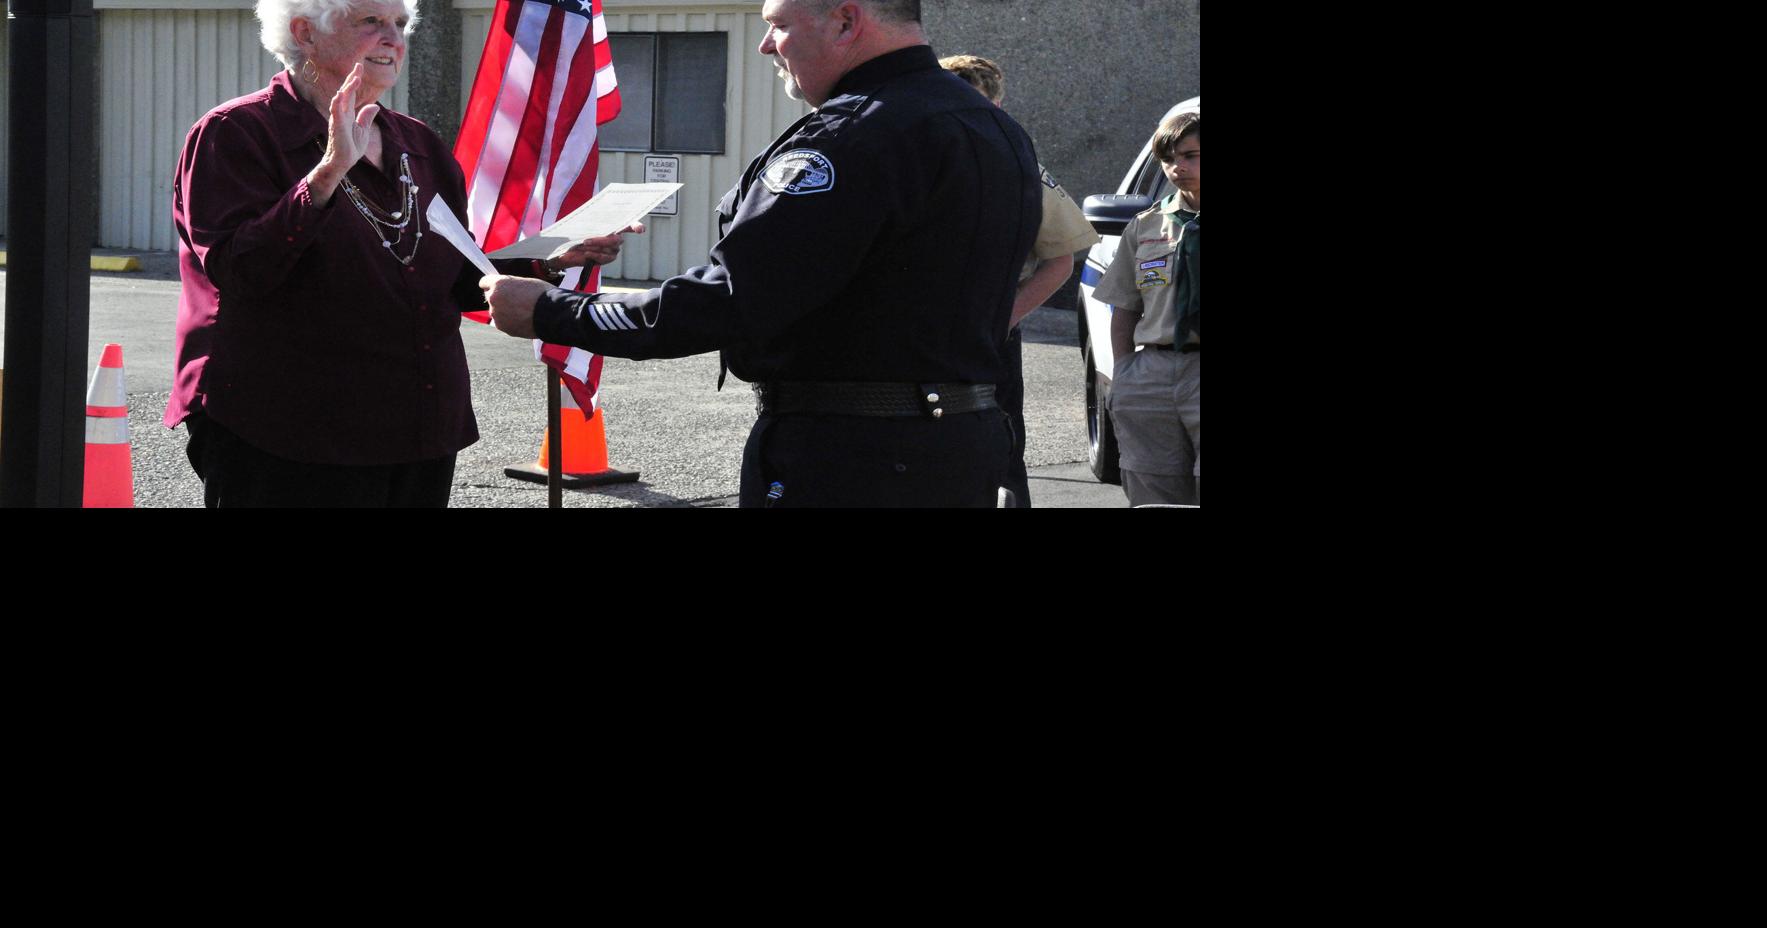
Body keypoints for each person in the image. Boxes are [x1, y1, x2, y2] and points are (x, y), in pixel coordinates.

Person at [481, 0, 1042, 508]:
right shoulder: (996, 129)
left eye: (778, 25)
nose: (765, 45)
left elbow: (732, 298)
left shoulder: (853, 137)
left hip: (849, 460)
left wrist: (552, 311)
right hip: (963, 445)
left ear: (846, 21)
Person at [162, 0, 632, 507]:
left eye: (400, 25)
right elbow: (241, 271)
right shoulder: (236, 133)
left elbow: (454, 275)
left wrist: (555, 256)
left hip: (417, 430)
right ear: (305, 33)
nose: (393, 39)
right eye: (371, 23)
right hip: (288, 431)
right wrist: (328, 172)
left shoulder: (418, 143)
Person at [939, 54, 1099, 508]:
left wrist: (998, 322)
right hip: (910, 339)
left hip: (985, 339)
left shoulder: (1019, 164)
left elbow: (1059, 261)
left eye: (977, 105)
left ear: (1000, 106)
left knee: (998, 457)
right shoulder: (907, 152)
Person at [1091, 110, 1200, 506]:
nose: (1177, 167)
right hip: (1152, 373)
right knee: (1153, 490)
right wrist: (1125, 373)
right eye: (1169, 158)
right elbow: (1125, 308)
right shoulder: (1148, 225)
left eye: (1191, 155)